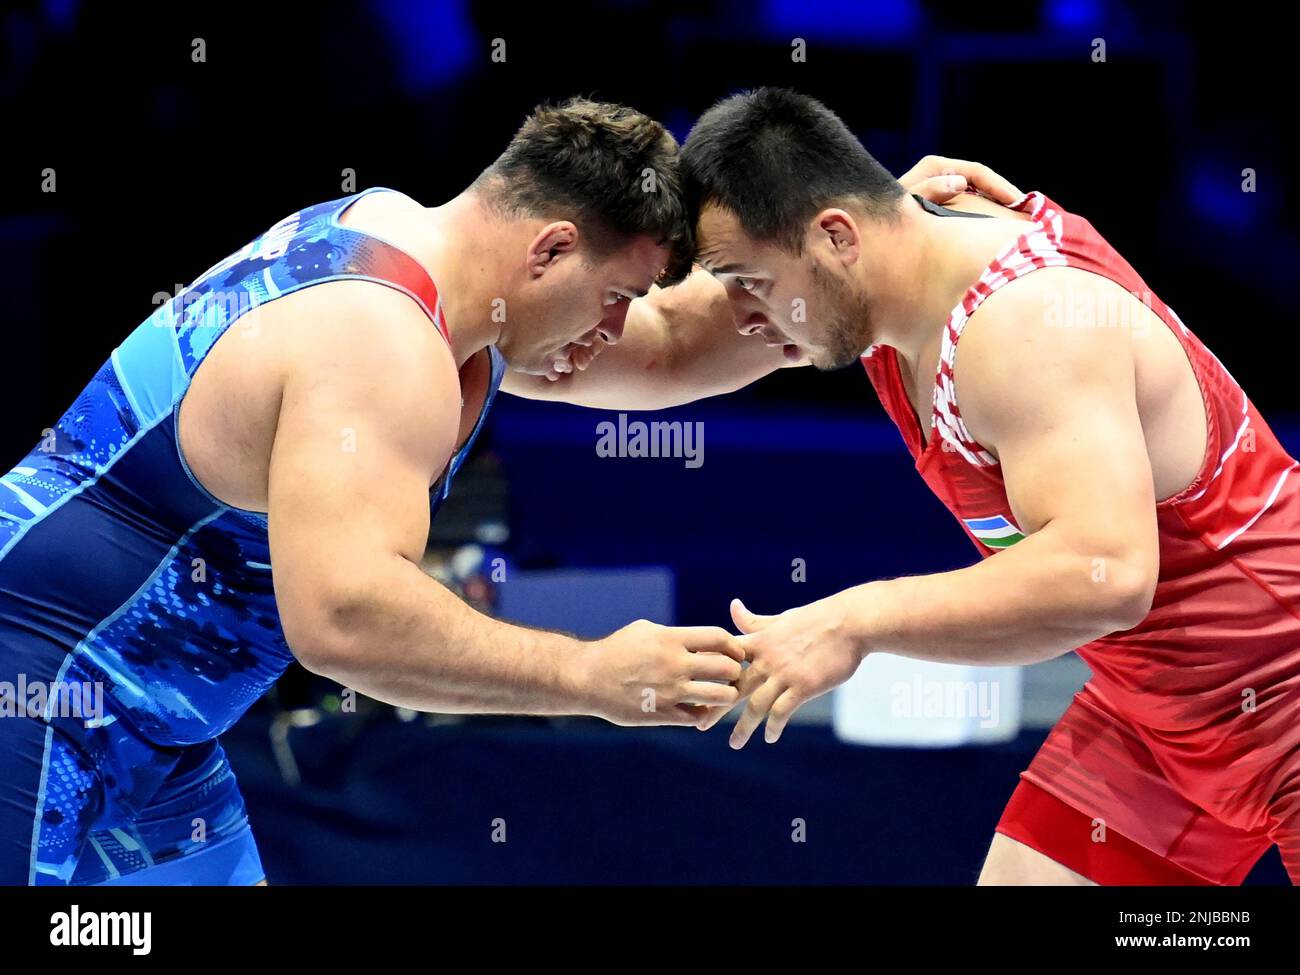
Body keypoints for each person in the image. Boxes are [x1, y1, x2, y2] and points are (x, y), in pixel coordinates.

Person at [510, 88, 1300, 886]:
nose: (740, 314)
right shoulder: (889, 267)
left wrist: (855, 621)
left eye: (747, 280)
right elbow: (669, 342)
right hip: (1161, 719)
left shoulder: (1026, 325)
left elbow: (1109, 573)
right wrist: (469, 328)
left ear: (836, 235)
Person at [0, 98, 748, 886]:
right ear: (551, 249)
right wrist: (591, 674)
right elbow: (344, 618)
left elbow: (674, 345)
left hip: (152, 728)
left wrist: (868, 254)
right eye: (614, 300)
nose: (613, 330)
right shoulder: (374, 334)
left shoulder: (437, 265)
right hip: (37, 694)